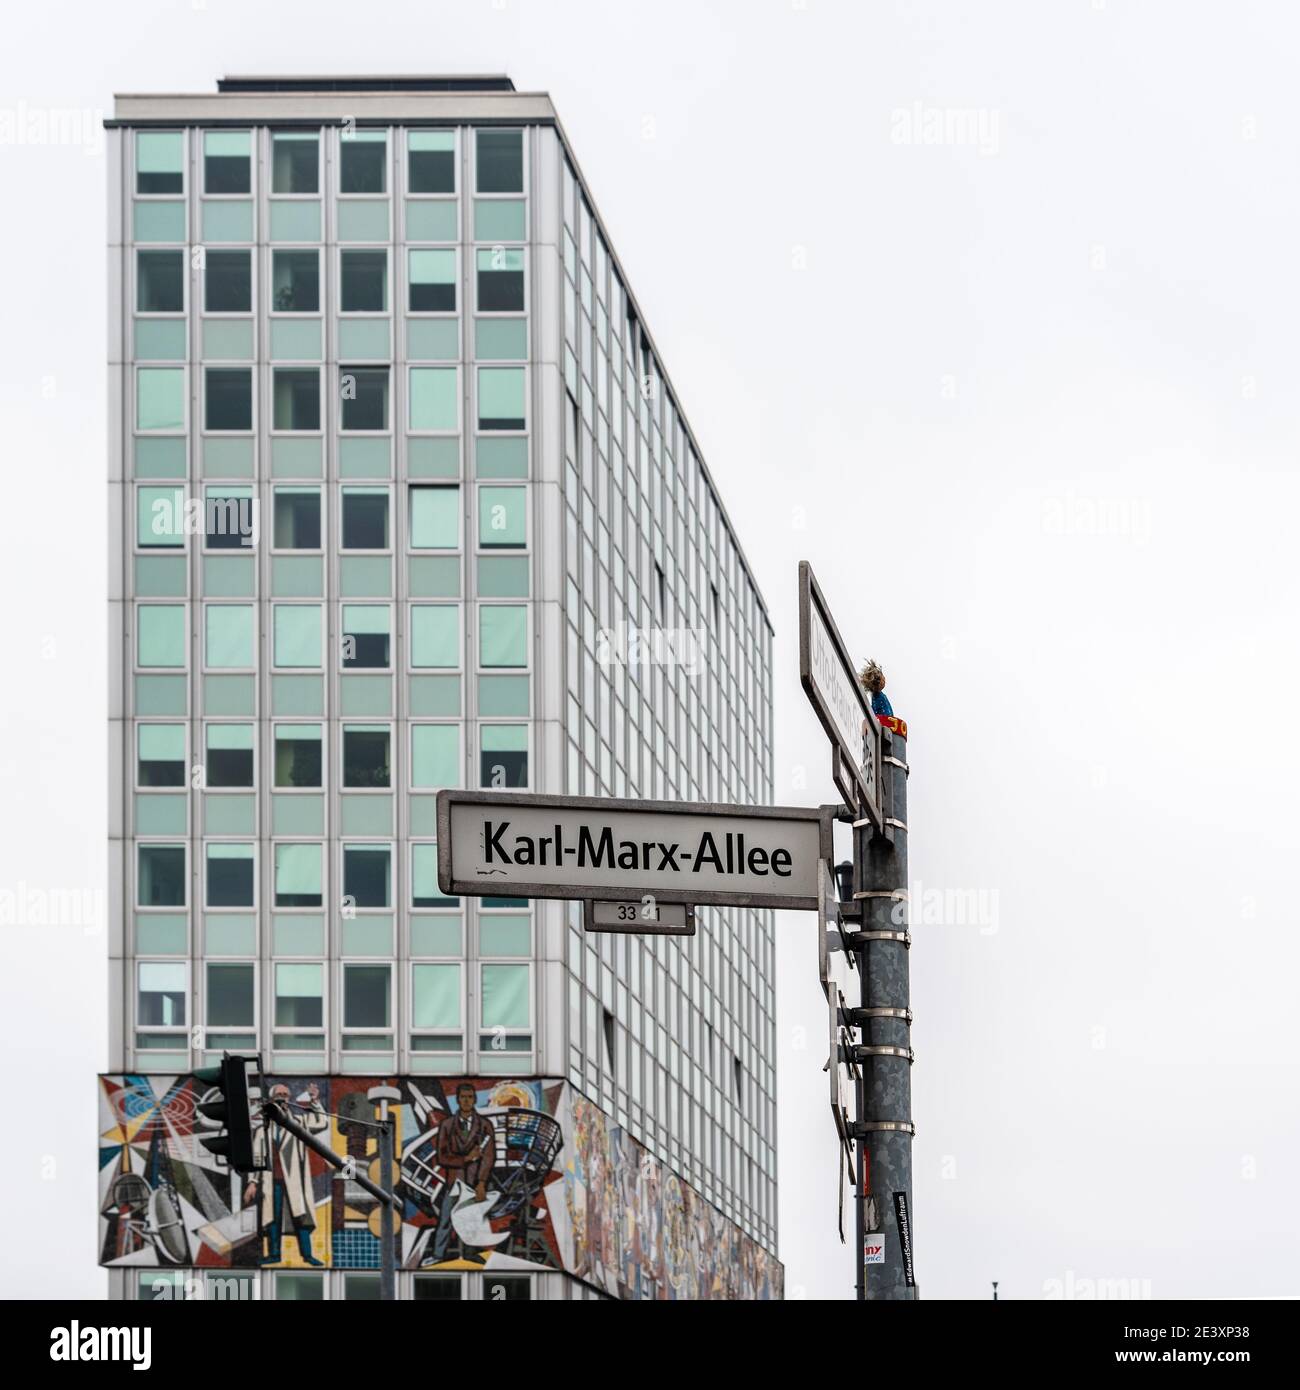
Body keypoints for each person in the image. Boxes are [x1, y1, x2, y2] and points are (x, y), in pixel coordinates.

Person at [245, 1082, 328, 1266]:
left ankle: (307, 1255)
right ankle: (274, 1254)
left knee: (300, 1216)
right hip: (271, 1180)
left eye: (285, 1094)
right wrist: (252, 1182)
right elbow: (257, 1158)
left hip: (295, 1179)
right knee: (272, 1218)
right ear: (272, 1099)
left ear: (289, 1099)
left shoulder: (299, 1122)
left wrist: (315, 1101)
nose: (282, 1097)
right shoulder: (262, 1130)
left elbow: (322, 1122)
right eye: (278, 1094)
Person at [429, 1083, 497, 1264]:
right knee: (445, 1220)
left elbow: (489, 1157)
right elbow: (442, 1157)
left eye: (469, 1097)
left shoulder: (485, 1125)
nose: (466, 1100)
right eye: (463, 1097)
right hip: (454, 1182)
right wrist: (466, 1159)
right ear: (458, 1100)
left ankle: (470, 1253)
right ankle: (438, 1255)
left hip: (475, 1183)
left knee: (474, 1220)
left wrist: (482, 1182)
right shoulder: (447, 1125)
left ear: (474, 1099)